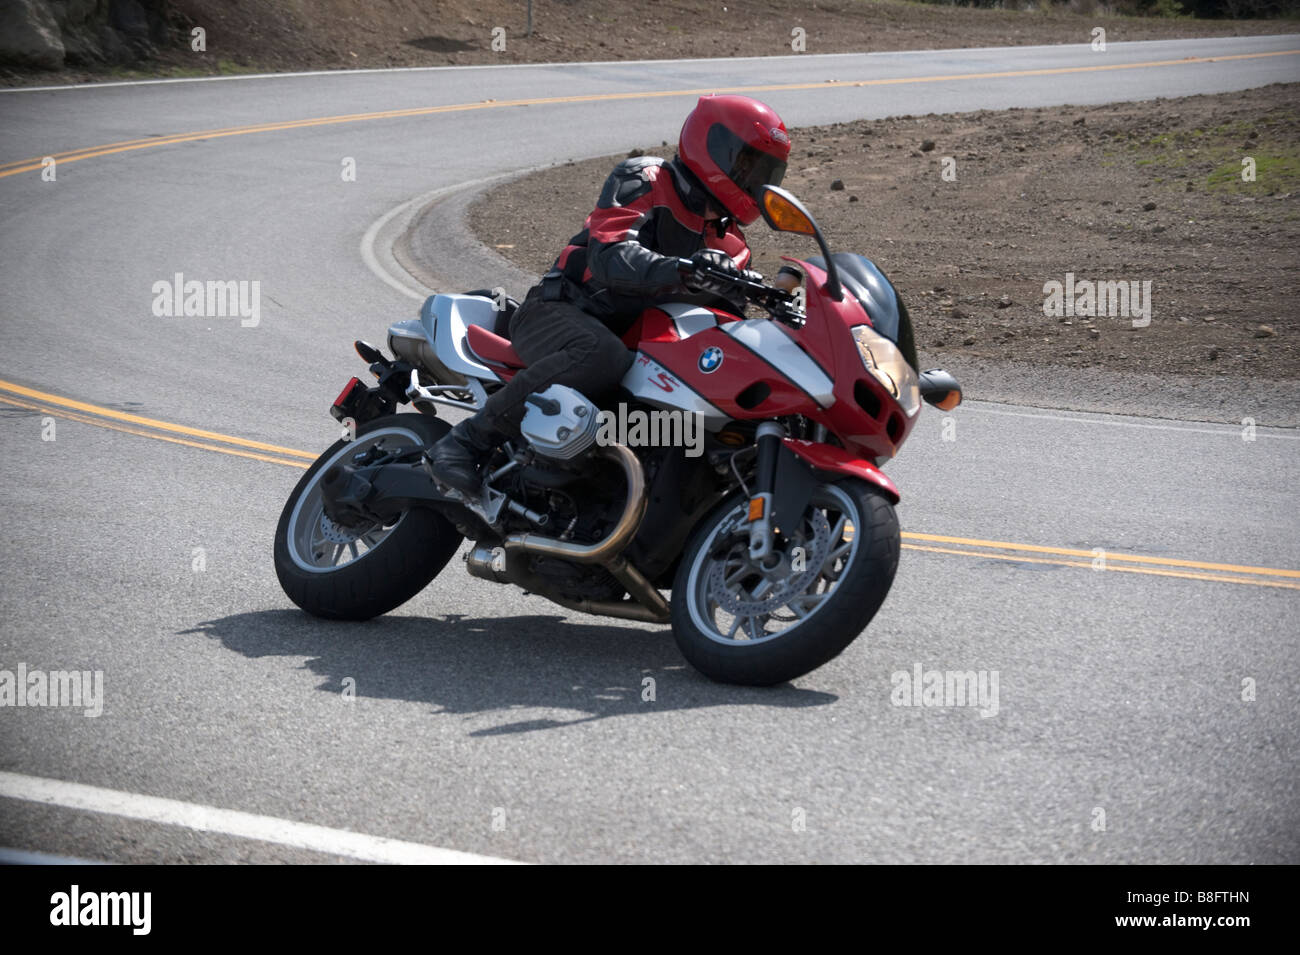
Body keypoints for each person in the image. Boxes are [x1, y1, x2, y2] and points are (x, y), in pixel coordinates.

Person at [427, 93, 793, 493]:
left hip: (639, 343)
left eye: (764, 172)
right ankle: (464, 443)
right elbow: (611, 254)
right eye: (747, 164)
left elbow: (727, 323)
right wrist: (682, 271)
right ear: (712, 145)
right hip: (561, 310)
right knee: (600, 355)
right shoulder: (647, 180)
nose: (754, 179)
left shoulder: (733, 247)